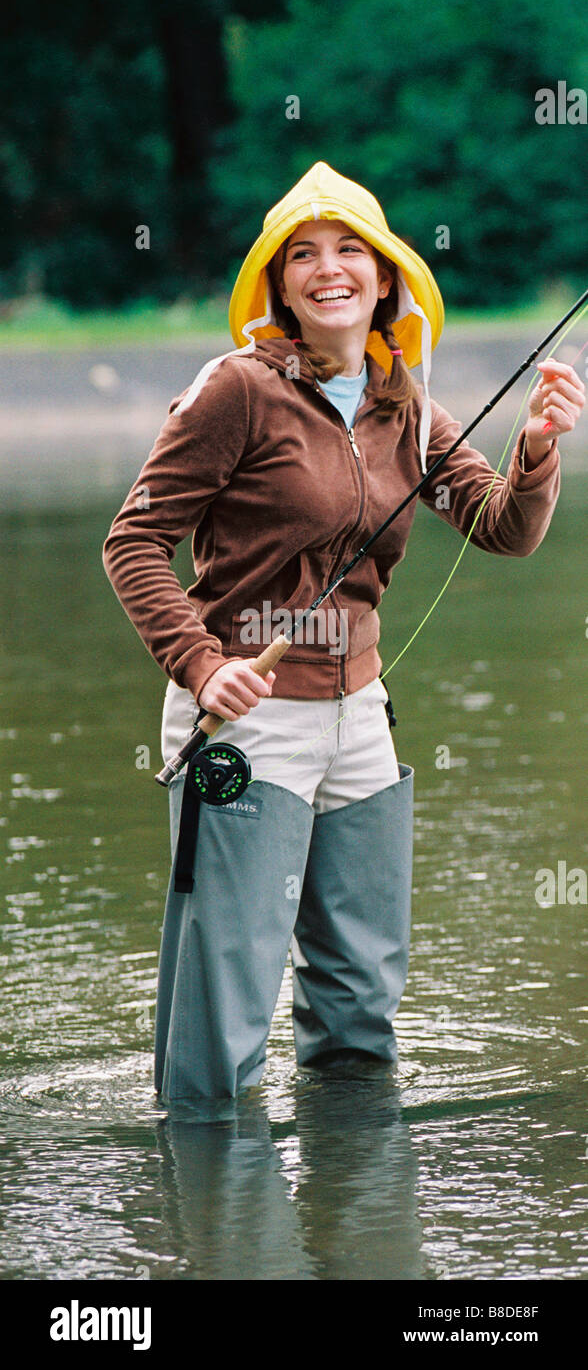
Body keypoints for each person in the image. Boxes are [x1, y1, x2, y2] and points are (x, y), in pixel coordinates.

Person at [103, 162, 585, 1106]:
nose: (330, 270)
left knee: (361, 1001)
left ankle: (359, 1211)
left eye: (350, 249)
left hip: (360, 719)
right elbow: (133, 542)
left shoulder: (406, 401)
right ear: (280, 285)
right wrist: (204, 666)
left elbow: (502, 529)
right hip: (246, 723)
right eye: (304, 256)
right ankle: (214, 1217)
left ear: (387, 276)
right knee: (225, 1011)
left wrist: (535, 451)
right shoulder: (234, 392)